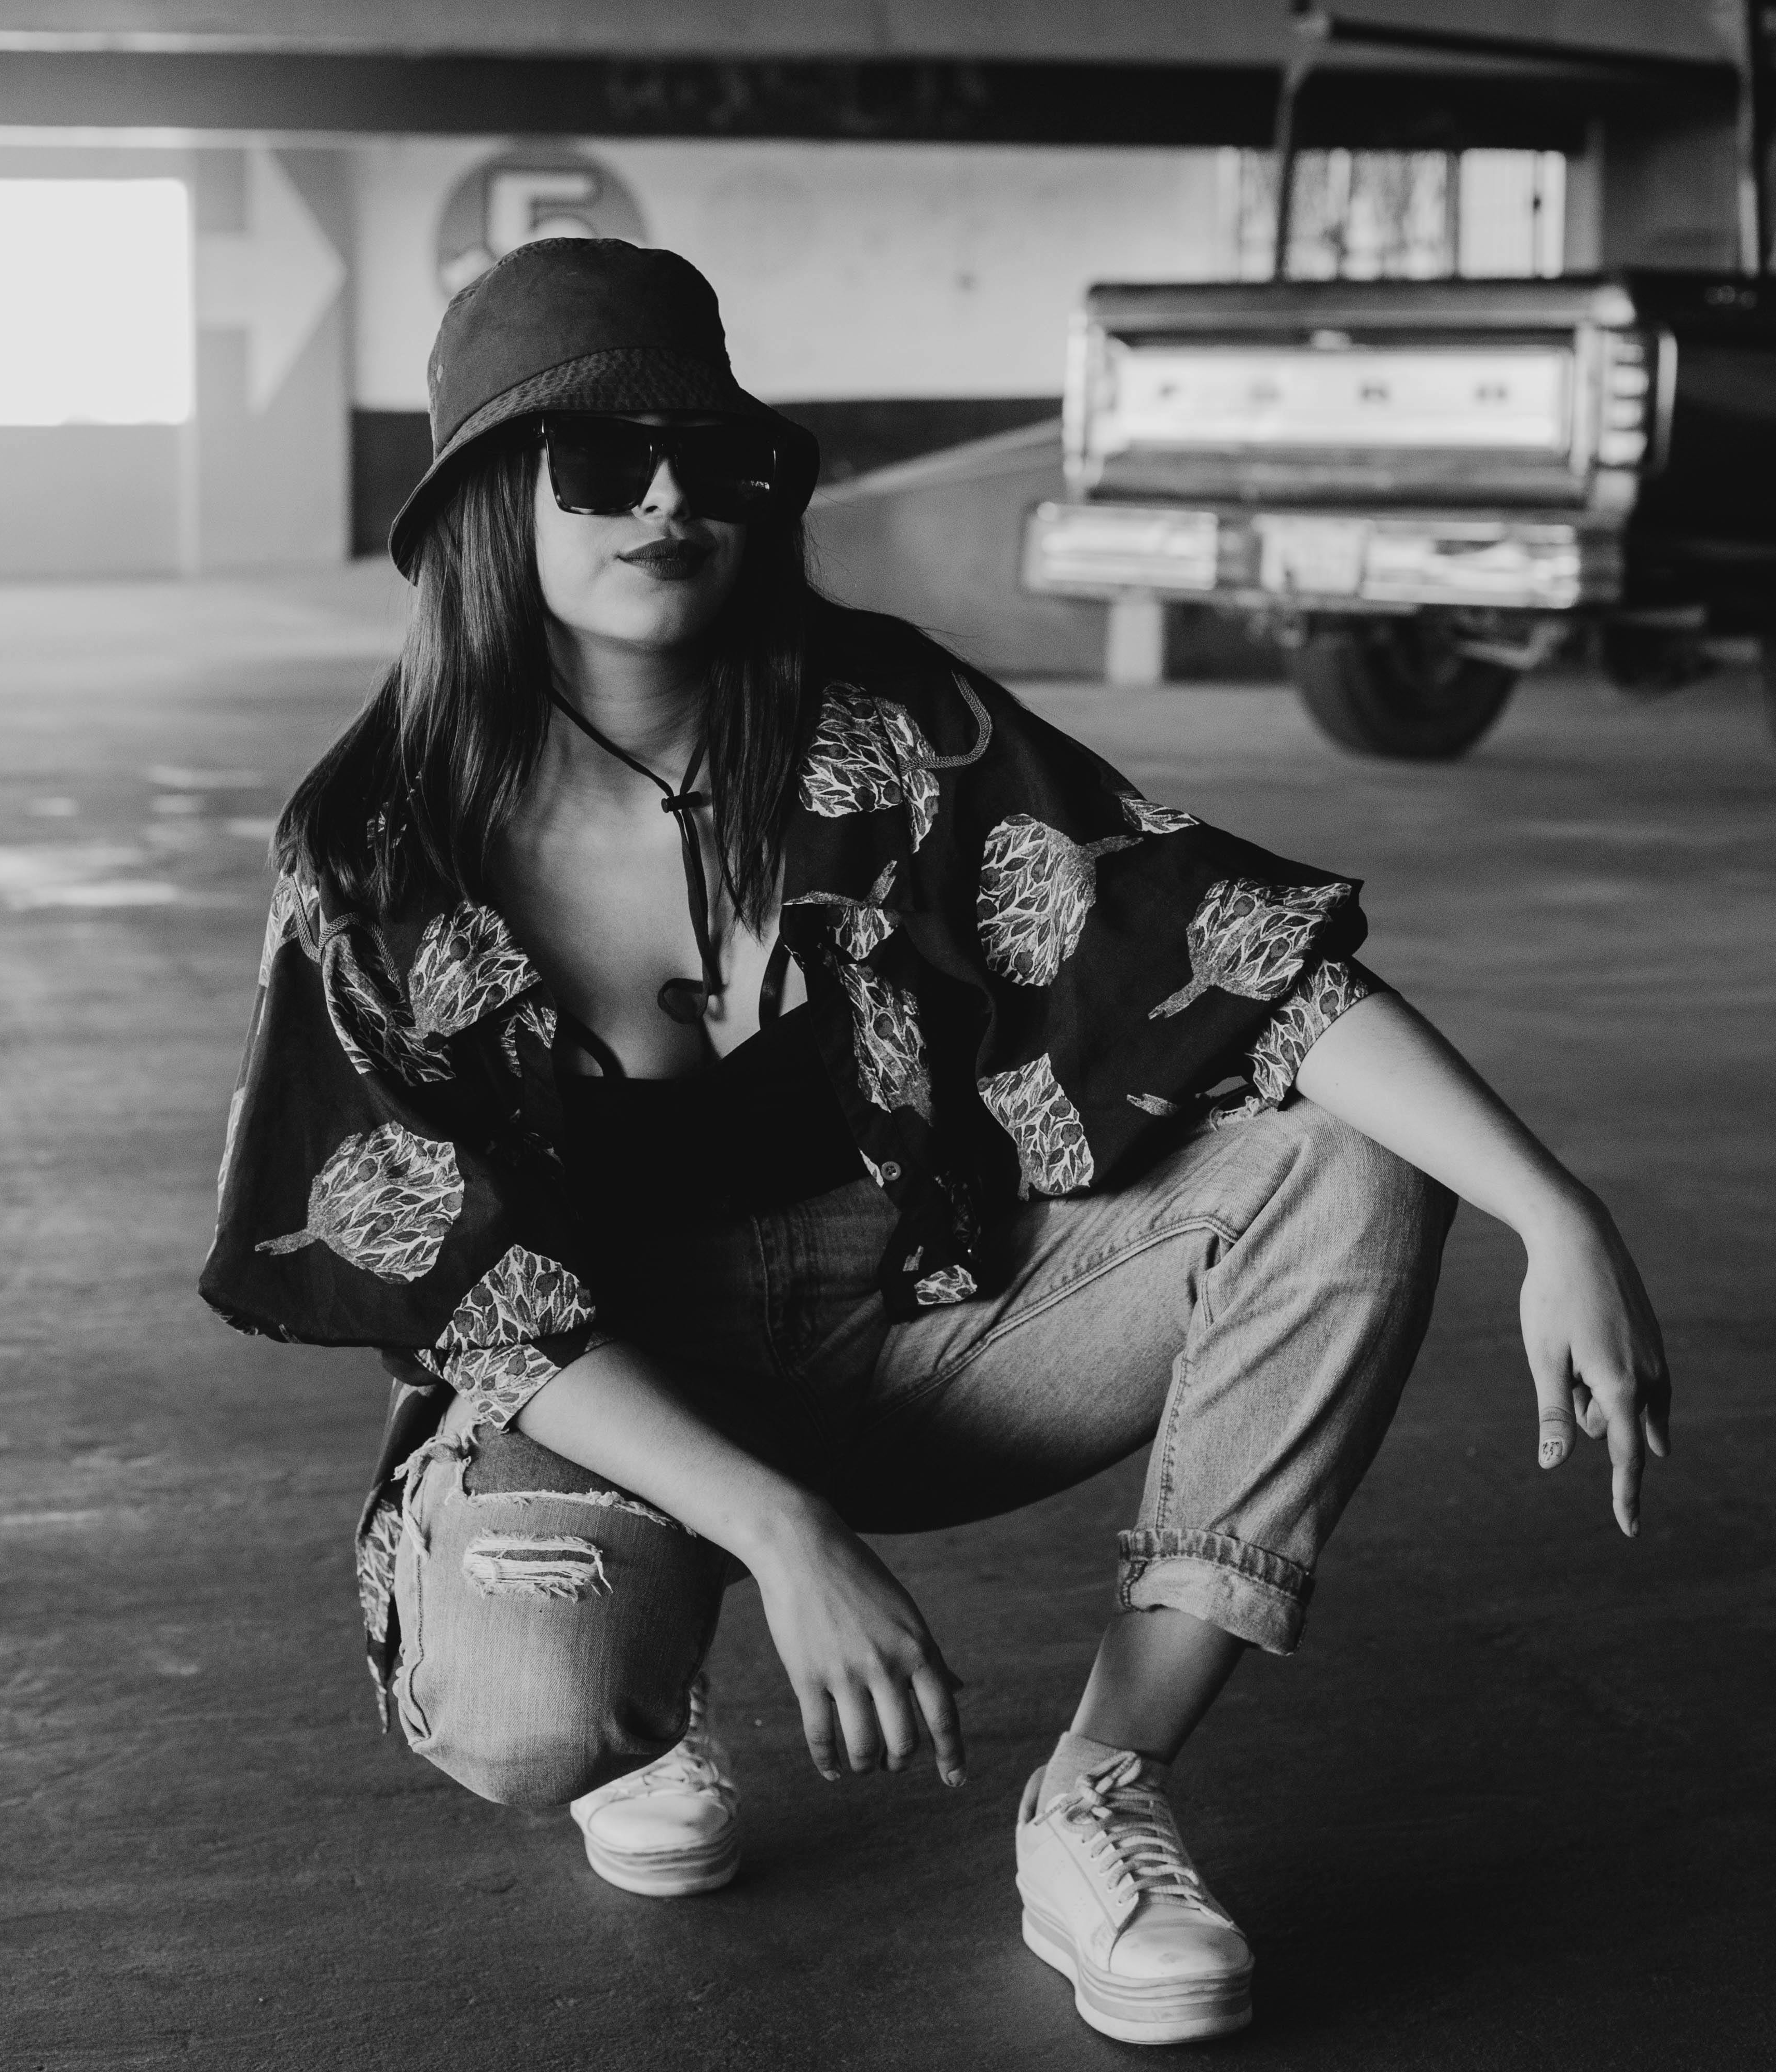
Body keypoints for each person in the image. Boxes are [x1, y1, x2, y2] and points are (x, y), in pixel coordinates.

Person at [200, 239, 1670, 2046]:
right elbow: (449, 1283)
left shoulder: (880, 718)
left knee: (1346, 1155)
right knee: (533, 1716)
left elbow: (1223, 949)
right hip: (604, 1386)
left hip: (921, 1327)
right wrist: (778, 1527)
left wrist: (1550, 1205)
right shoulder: (373, 844)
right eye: (595, 460)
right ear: (488, 507)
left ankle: (1097, 1797)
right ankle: (643, 1688)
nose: (666, 498)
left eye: (711, 456)